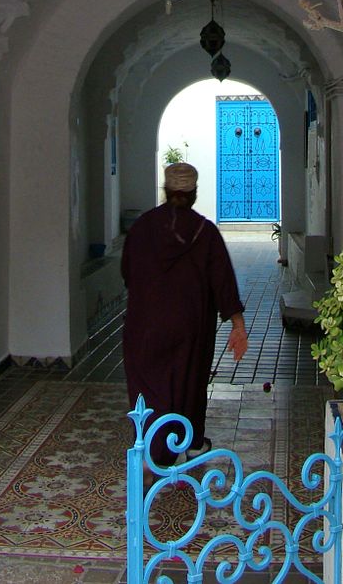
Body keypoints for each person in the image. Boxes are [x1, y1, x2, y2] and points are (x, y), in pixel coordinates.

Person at [122, 161, 248, 466]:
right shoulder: (205, 233)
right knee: (189, 382)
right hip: (190, 326)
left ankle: (157, 451)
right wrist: (238, 325)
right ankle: (191, 443)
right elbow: (223, 282)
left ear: (166, 190)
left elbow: (127, 272)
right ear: (193, 193)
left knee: (150, 385)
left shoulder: (141, 228)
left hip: (145, 325)